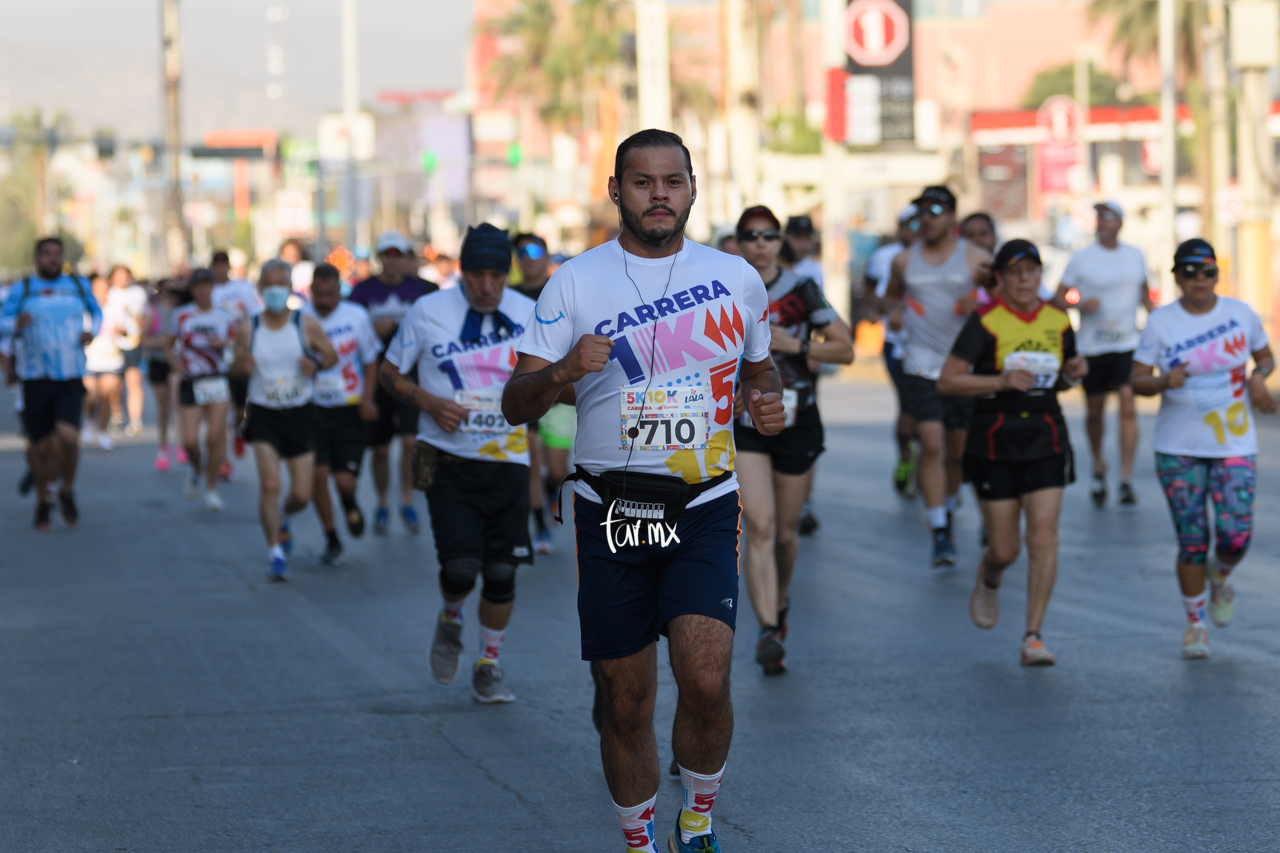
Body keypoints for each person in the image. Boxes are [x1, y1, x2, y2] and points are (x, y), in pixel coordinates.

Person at [503, 129, 785, 853]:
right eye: (642, 181)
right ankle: (638, 839)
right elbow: (515, 403)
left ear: (692, 188)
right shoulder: (574, 281)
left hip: (703, 501)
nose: (659, 194)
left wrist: (766, 398)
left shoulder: (736, 278)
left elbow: (760, 369)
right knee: (624, 701)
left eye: (672, 180)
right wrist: (564, 369)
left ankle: (697, 820)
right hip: (611, 507)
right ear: (616, 191)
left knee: (707, 679)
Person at [381, 224, 535, 702]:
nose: (487, 288)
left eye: (496, 276)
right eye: (477, 276)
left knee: (503, 572)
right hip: (447, 458)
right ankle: (451, 616)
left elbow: (549, 378)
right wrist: (428, 403)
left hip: (507, 458)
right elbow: (389, 374)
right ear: (461, 272)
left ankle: (488, 665)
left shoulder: (529, 313)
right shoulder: (428, 311)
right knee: (462, 569)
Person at [937, 239, 1086, 666]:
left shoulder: (1058, 320)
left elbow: (1063, 375)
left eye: (1032, 271)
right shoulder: (985, 321)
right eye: (1015, 273)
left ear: (1041, 275)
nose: (1025, 280)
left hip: (1045, 436)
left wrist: (1075, 372)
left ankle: (1033, 635)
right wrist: (1000, 381)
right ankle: (991, 575)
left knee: (1043, 535)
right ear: (999, 278)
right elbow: (948, 381)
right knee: (1006, 548)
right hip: (994, 438)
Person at [1131, 238, 1276, 659]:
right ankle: (1195, 625)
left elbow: (1264, 357)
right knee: (1193, 540)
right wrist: (1160, 382)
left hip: (1233, 444)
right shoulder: (1161, 323)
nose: (1199, 279)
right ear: (1176, 277)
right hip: (1178, 446)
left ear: (1217, 274)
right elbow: (1136, 379)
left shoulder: (1240, 314)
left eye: (1207, 271)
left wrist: (1257, 376)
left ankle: (1222, 574)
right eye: (1189, 271)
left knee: (1235, 535)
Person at [733, 204, 854, 676]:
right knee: (758, 527)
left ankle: (779, 606)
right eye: (750, 236)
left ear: (780, 242)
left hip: (796, 420)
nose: (760, 243)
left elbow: (845, 348)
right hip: (746, 425)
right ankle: (766, 629)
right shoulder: (725, 287)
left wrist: (798, 345)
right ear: (739, 243)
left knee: (785, 535)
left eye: (768, 235)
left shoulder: (803, 290)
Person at [884, 185, 992, 567]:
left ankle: (947, 505)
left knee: (957, 452)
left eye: (934, 210)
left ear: (951, 217)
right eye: (920, 212)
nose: (926, 219)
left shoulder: (976, 257)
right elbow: (891, 297)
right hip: (920, 363)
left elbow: (1000, 300)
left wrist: (978, 299)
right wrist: (895, 313)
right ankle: (940, 529)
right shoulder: (903, 260)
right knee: (931, 444)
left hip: (962, 367)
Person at [230, 259, 337, 580]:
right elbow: (234, 367)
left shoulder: (305, 324)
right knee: (271, 484)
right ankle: (275, 552)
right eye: (269, 284)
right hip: (263, 413)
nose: (275, 290)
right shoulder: (250, 327)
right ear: (260, 289)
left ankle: (282, 516)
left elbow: (331, 355)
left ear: (289, 288)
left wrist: (315, 364)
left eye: (281, 284)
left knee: (302, 494)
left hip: (300, 412)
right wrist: (242, 368)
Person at [1055, 201, 1154, 507]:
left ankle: (1125, 478)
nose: (1102, 222)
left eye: (1108, 217)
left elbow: (1144, 294)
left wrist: (1160, 322)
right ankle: (1098, 464)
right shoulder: (1082, 258)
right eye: (1099, 217)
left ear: (1121, 223)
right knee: (1095, 412)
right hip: (1092, 345)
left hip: (1125, 342)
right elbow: (1058, 297)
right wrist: (1080, 304)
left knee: (1127, 404)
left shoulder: (1135, 255)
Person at [0, 237, 102, 530]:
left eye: (57, 254)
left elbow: (96, 313)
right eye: (46, 254)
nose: (52, 259)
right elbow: (2, 321)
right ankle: (43, 501)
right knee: (41, 449)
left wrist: (91, 332)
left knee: (69, 439)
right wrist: (13, 325)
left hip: (70, 374)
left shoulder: (79, 285)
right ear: (37, 258)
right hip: (35, 377)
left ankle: (67, 491)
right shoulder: (24, 288)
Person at [349, 230, 438, 535]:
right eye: (386, 255)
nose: (391, 261)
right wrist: (375, 329)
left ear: (406, 258)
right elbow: (351, 333)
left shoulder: (425, 290)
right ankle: (383, 502)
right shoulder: (362, 292)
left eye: (397, 255)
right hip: (377, 376)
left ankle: (407, 501)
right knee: (381, 449)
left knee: (411, 442)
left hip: (412, 375)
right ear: (379, 258)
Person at [302, 264, 382, 565]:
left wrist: (368, 399)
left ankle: (349, 502)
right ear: (311, 291)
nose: (324, 301)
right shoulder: (301, 319)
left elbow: (371, 360)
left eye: (330, 294)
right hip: (312, 407)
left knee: (344, 481)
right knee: (318, 475)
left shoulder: (356, 316)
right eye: (318, 294)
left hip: (349, 406)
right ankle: (332, 537)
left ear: (339, 291)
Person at [170, 269, 239, 511]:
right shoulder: (182, 315)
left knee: (213, 438)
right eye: (197, 286)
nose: (202, 291)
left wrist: (226, 344)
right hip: (191, 380)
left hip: (217, 379)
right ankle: (197, 470)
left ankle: (211, 487)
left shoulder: (226, 316)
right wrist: (174, 363)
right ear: (192, 290)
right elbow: (170, 343)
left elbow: (238, 344)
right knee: (190, 442)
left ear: (212, 287)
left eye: (206, 285)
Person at [866, 204, 920, 498]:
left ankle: (936, 465)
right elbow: (869, 287)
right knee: (909, 407)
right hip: (897, 344)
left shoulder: (937, 257)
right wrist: (883, 308)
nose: (912, 230)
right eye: (907, 224)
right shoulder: (885, 256)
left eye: (917, 223)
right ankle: (906, 458)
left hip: (935, 346)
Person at [211, 249, 263, 466]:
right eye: (217, 265)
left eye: (224, 265)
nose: (220, 269)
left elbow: (257, 317)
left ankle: (239, 430)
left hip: (238, 355)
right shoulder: (209, 292)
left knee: (239, 408)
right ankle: (223, 460)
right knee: (219, 411)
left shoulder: (243, 288)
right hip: (216, 359)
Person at [142, 278, 183, 471]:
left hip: (177, 364)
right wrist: (164, 343)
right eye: (169, 291)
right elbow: (144, 341)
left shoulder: (182, 311)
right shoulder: (153, 313)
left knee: (178, 405)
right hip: (159, 363)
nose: (172, 295)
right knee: (164, 408)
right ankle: (163, 445)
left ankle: (181, 443)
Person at [82, 273, 126, 450]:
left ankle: (102, 431)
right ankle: (88, 420)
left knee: (107, 395)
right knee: (91, 396)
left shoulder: (117, 309)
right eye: (97, 290)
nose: (101, 293)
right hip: (89, 362)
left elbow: (129, 332)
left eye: (104, 289)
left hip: (111, 361)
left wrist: (121, 332)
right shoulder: (84, 311)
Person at [106, 265, 148, 436]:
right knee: (113, 384)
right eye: (118, 275)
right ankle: (116, 414)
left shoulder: (138, 293)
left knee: (134, 380)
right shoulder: (107, 293)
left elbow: (144, 317)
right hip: (110, 345)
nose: (122, 278)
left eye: (125, 275)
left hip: (133, 343)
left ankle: (135, 419)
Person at [784, 214, 822, 287]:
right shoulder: (773, 266)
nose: (802, 244)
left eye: (807, 238)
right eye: (797, 237)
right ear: (786, 237)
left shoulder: (815, 270)